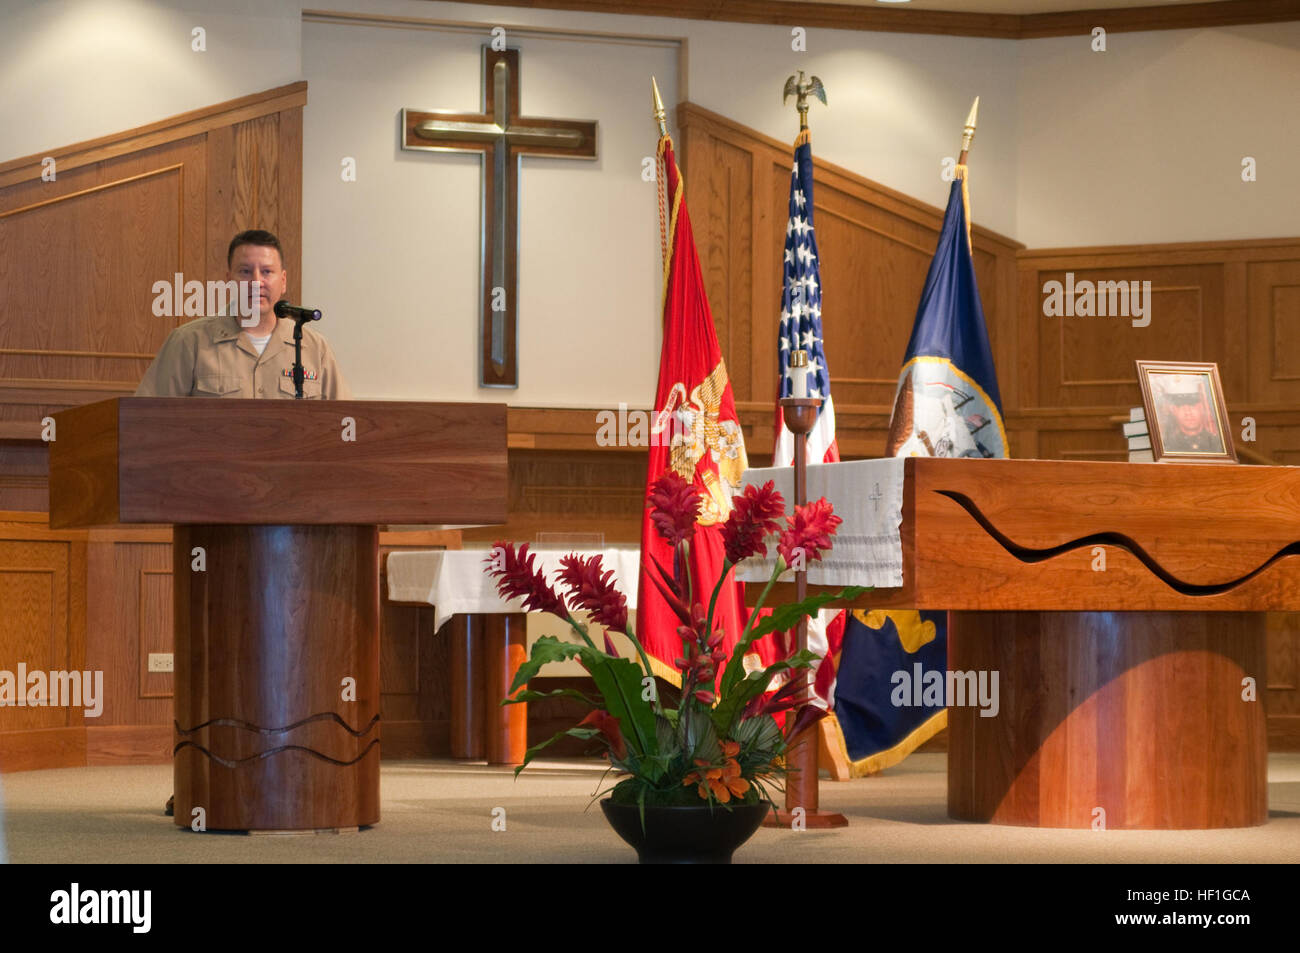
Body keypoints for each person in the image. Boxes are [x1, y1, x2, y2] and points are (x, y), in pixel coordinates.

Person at [136, 229, 350, 399]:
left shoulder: (314, 348)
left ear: (283, 281)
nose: (256, 282)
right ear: (229, 280)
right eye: (245, 272)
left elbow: (345, 421)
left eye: (267, 272)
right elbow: (146, 420)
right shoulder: (188, 342)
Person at [1159, 374, 1222, 454]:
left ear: (1201, 407)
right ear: (1174, 410)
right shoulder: (1166, 447)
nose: (1188, 412)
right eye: (1180, 406)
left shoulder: (1217, 444)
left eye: (1192, 405)